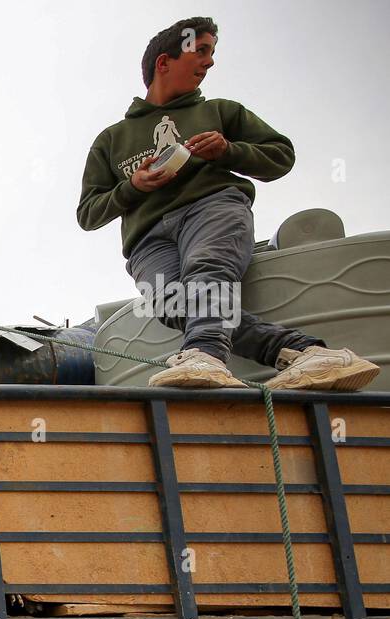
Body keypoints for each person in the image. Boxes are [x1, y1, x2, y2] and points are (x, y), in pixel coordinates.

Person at [77, 17, 379, 391]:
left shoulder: (221, 111)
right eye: (200, 51)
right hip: (147, 238)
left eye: (212, 53)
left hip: (212, 207)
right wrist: (133, 186)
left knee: (207, 276)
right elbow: (88, 213)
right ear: (163, 62)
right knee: (174, 305)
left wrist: (228, 150)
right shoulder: (111, 139)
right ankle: (304, 354)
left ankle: (205, 357)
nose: (209, 62)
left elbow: (280, 156)